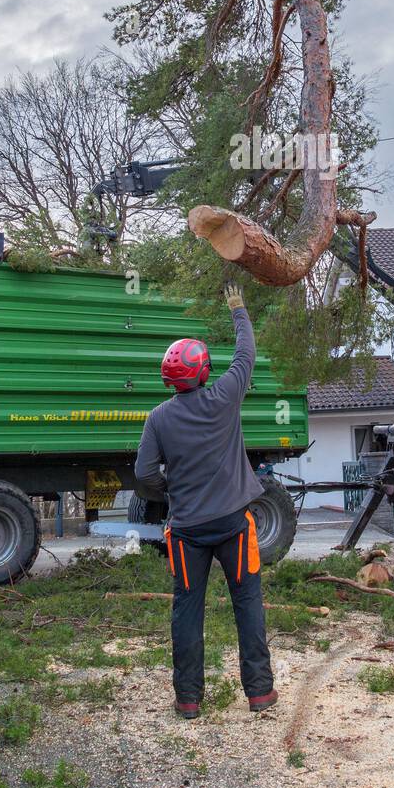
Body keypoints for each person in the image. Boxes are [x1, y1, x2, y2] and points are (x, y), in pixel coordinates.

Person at [134, 280, 277, 721]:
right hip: (235, 524)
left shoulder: (158, 418)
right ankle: (259, 694)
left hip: (187, 532)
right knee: (247, 604)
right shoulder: (225, 397)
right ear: (202, 372)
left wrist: (171, 492)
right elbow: (245, 355)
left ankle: (188, 700)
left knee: (187, 610)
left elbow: (142, 477)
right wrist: (238, 310)